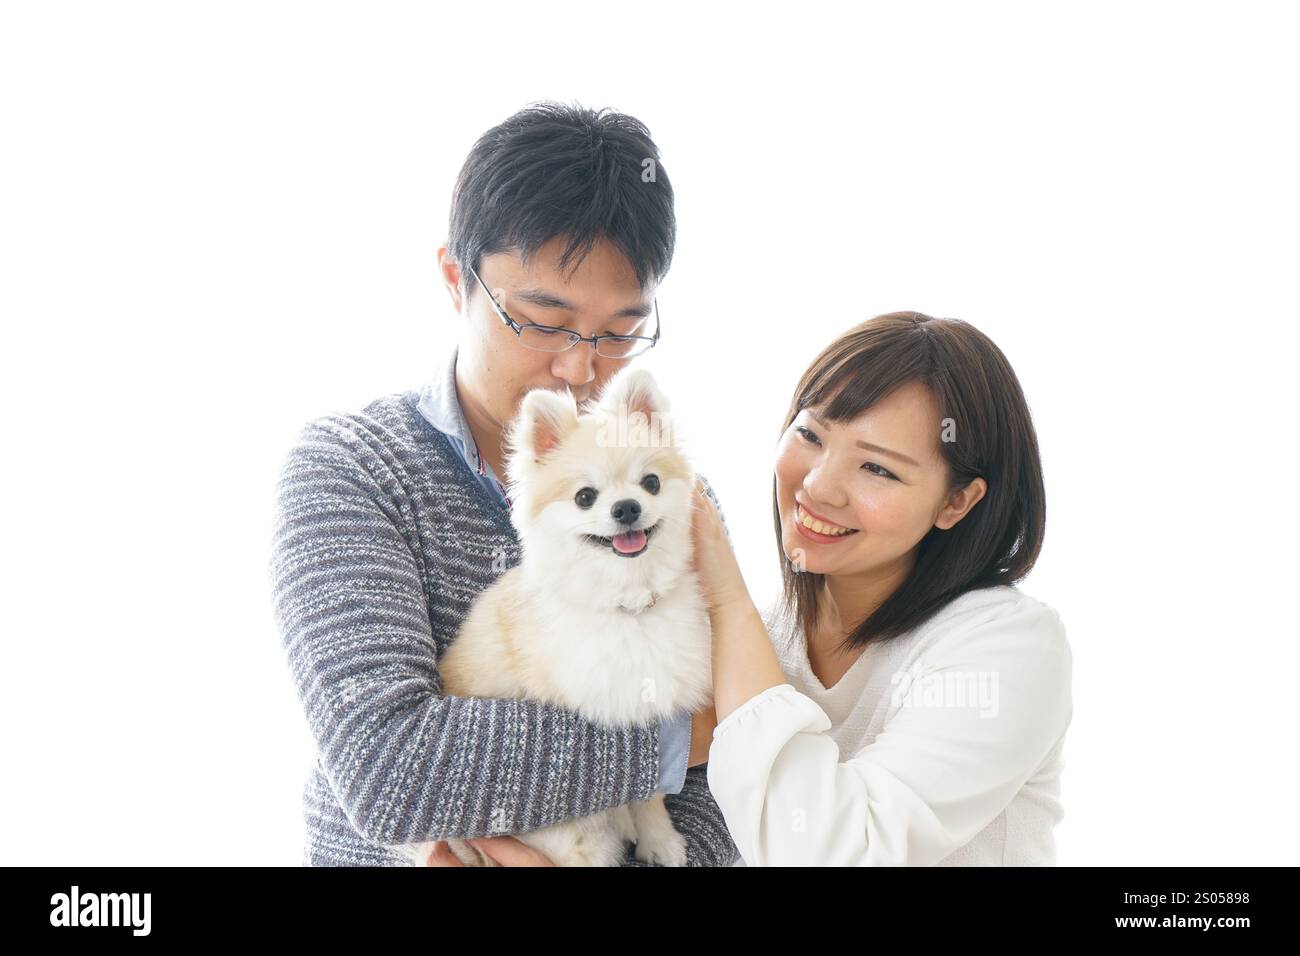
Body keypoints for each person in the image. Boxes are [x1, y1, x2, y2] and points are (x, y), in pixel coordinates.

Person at [268, 101, 736, 866]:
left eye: (620, 330)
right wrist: (676, 735)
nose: (581, 368)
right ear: (457, 278)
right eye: (544, 321)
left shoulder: (668, 499)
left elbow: (734, 782)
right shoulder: (353, 471)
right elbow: (389, 771)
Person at [689, 311, 1074, 866]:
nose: (819, 487)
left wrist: (725, 601)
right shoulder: (765, 640)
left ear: (955, 502)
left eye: (877, 469)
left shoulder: (1007, 645)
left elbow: (829, 852)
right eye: (811, 435)